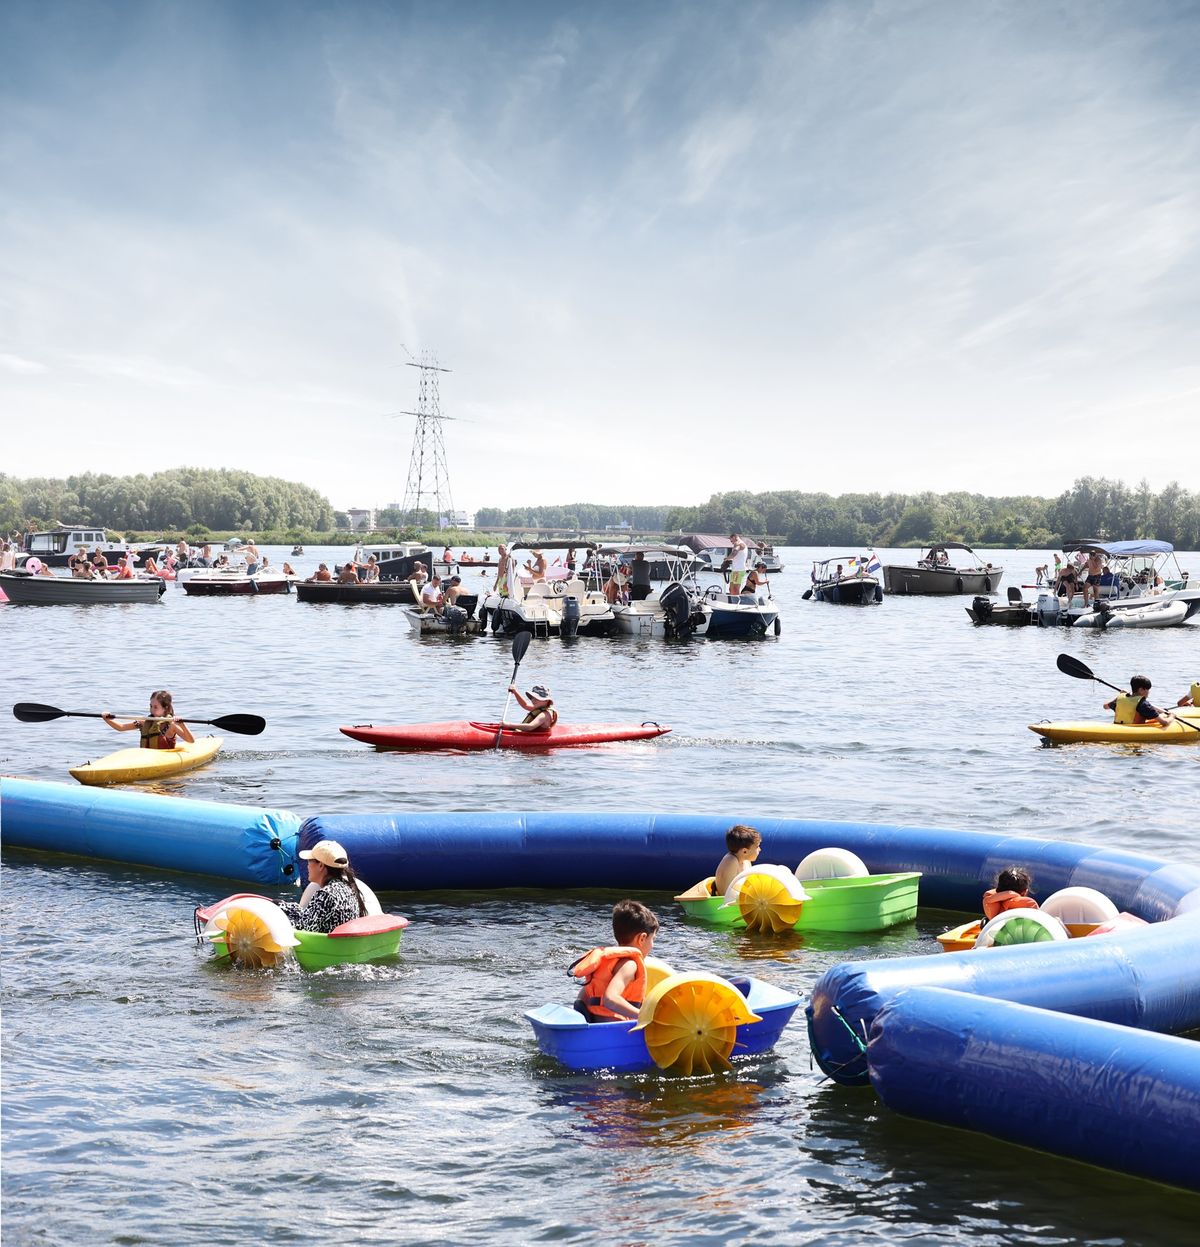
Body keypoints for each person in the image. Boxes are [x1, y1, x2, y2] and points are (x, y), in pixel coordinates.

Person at [569, 900, 660, 1022]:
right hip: (615, 1032)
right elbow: (610, 999)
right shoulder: (629, 965)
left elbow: (582, 999)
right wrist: (644, 1017)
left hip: (594, 1027)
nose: (652, 945)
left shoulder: (603, 961)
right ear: (642, 938)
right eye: (653, 939)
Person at [276, 840, 368, 934]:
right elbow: (311, 915)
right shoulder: (348, 887)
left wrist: (275, 917)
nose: (307, 866)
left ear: (320, 865)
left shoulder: (326, 894)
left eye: (309, 861)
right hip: (342, 944)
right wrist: (281, 906)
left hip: (326, 946)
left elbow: (304, 928)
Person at [102, 690, 195, 750]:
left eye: (155, 707)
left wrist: (182, 724)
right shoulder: (144, 722)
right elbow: (121, 727)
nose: (152, 710)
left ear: (165, 708)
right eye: (151, 706)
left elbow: (191, 741)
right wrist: (107, 719)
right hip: (147, 759)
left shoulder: (171, 725)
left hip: (164, 759)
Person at [1104, 676, 1172, 727]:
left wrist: (1120, 696)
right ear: (1141, 690)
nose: (1148, 692)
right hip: (1132, 730)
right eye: (1147, 690)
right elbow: (1165, 723)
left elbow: (1105, 706)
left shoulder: (1120, 698)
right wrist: (1172, 716)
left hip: (1118, 728)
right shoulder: (1143, 704)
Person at [714, 824, 762, 895]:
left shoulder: (745, 861)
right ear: (745, 851)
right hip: (724, 902)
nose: (760, 849)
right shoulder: (731, 861)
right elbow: (726, 894)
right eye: (757, 847)